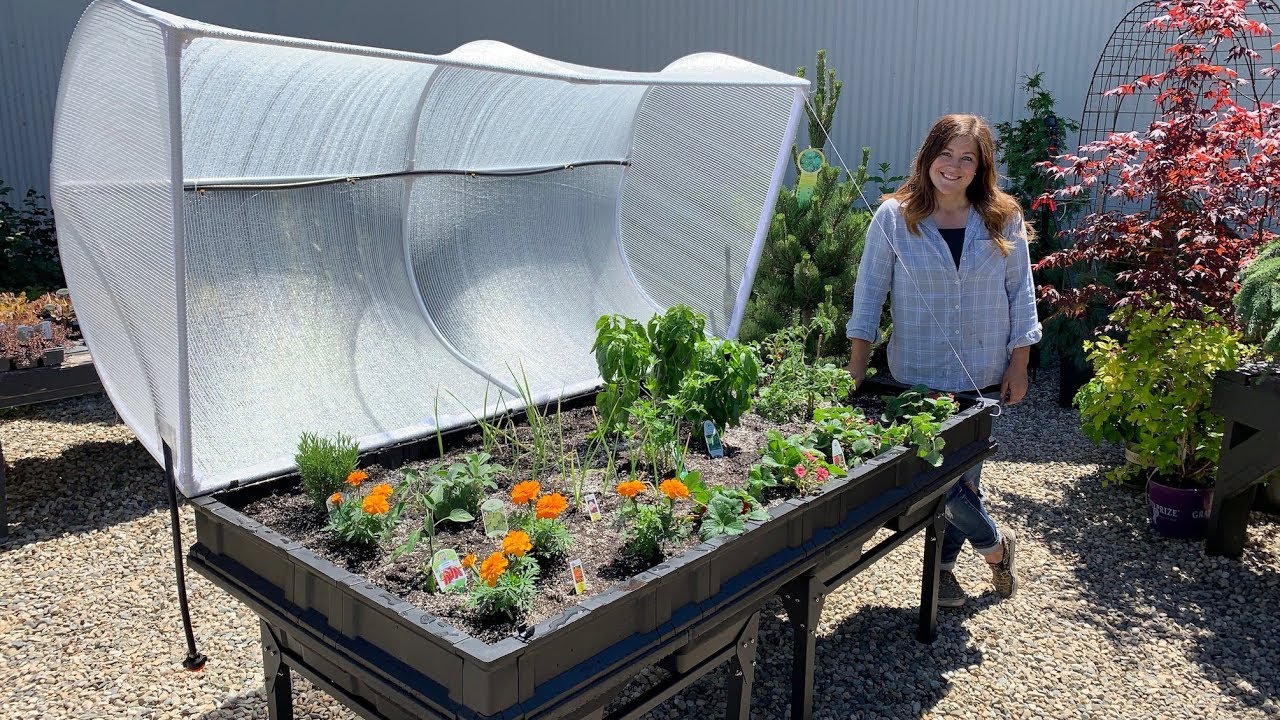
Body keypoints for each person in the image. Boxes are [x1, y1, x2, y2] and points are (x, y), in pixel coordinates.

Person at [844, 114, 1041, 607]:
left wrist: (1020, 362)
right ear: (928, 157)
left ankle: (945, 569)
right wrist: (857, 368)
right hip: (918, 374)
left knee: (965, 478)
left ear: (980, 167)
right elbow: (869, 295)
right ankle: (995, 549)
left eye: (966, 158)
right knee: (939, 482)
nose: (953, 166)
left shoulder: (1002, 217)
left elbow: (1021, 294)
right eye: (945, 154)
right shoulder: (894, 216)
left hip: (984, 373)